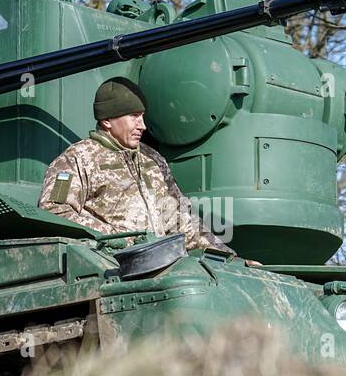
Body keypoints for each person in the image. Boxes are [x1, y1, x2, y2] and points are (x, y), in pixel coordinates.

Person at [38, 77, 240, 255]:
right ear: (107, 120)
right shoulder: (76, 159)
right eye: (134, 116)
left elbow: (183, 222)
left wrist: (230, 258)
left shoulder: (152, 159)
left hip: (161, 267)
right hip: (112, 270)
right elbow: (55, 211)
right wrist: (120, 240)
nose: (142, 125)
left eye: (142, 116)